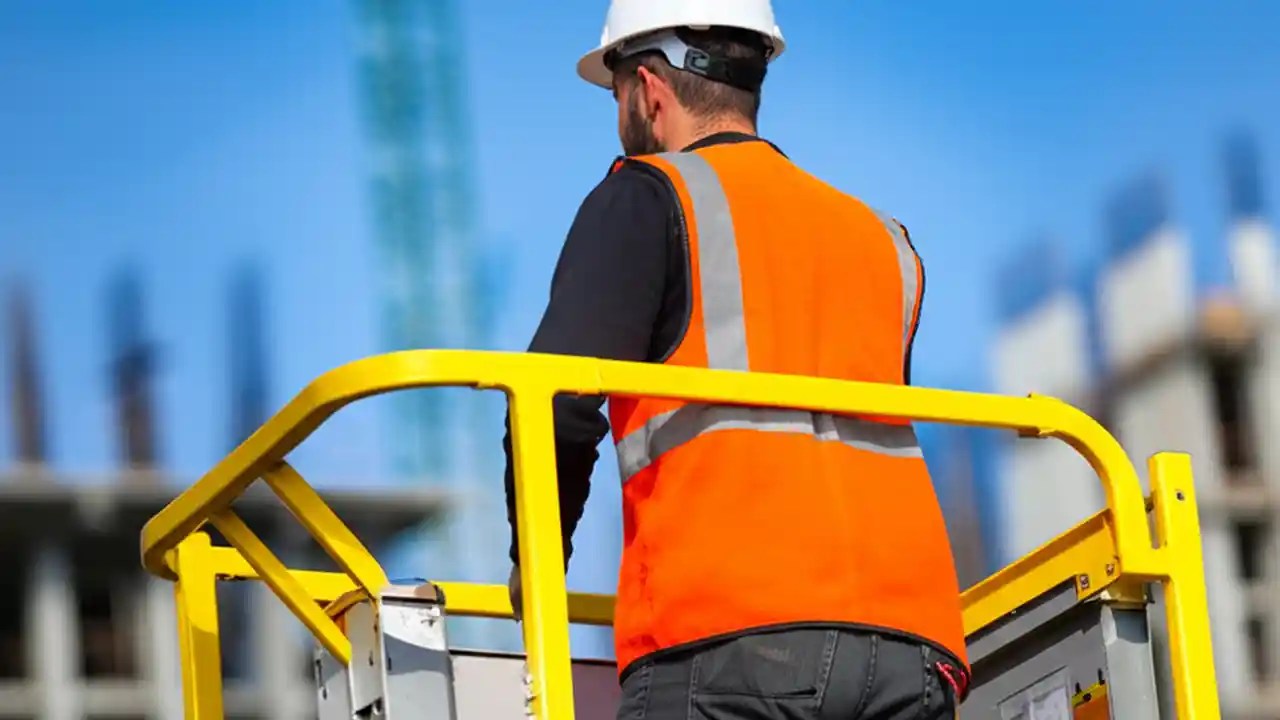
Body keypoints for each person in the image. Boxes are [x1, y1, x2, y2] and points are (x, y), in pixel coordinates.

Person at [502, 1, 971, 717]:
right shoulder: (881, 237)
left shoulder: (647, 194)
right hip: (912, 649)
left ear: (648, 91)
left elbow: (553, 404)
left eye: (616, 94)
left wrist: (535, 562)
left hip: (727, 639)